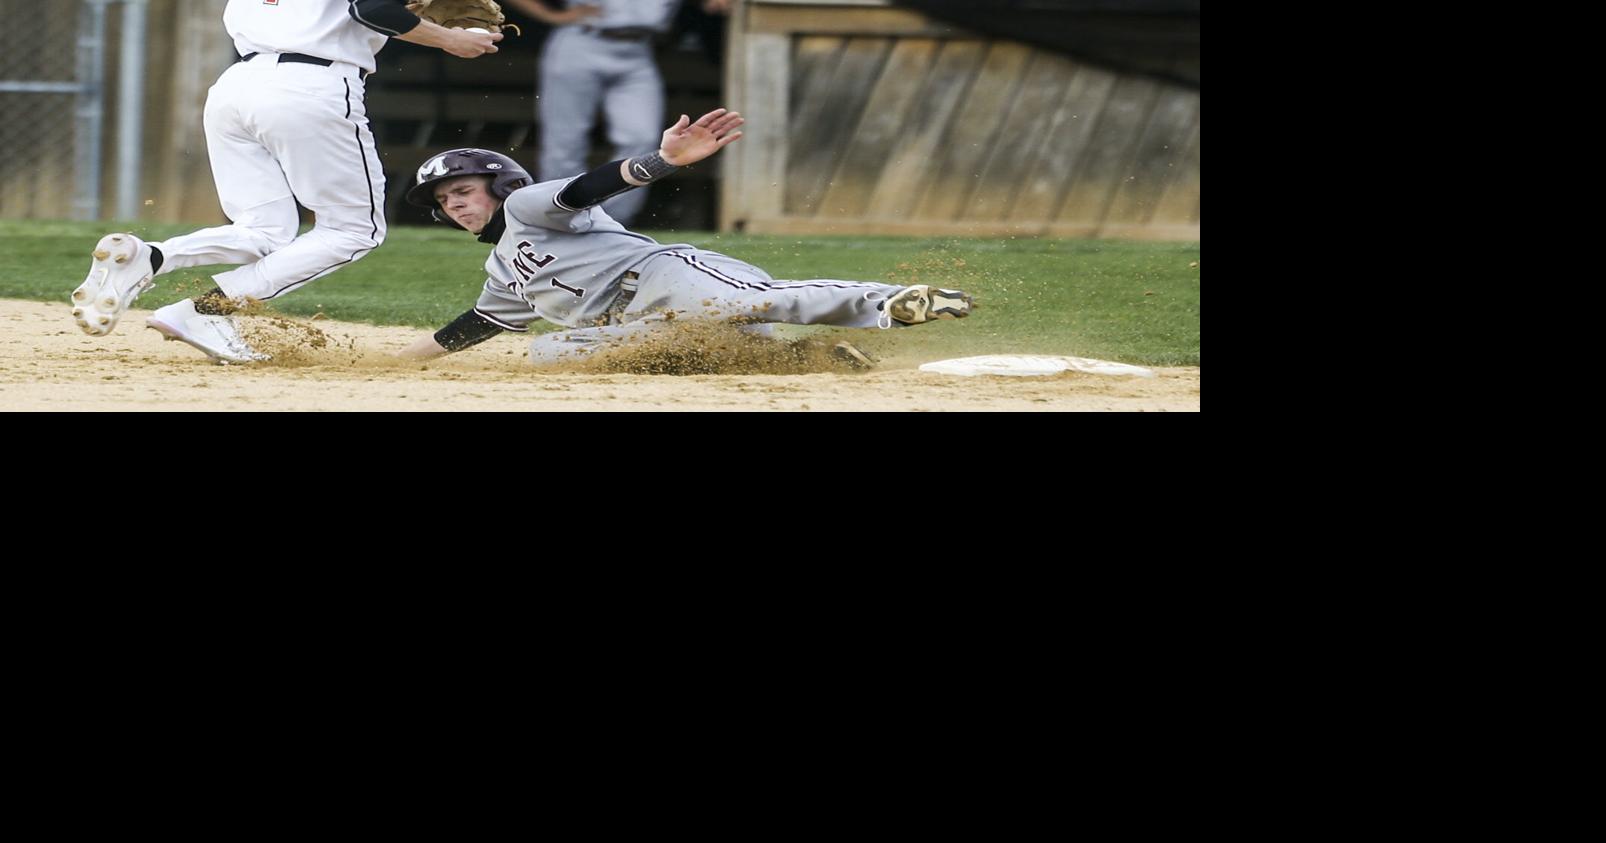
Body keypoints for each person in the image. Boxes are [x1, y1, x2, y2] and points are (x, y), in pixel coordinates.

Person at [70, 0, 503, 363]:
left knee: (263, 230)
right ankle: (207, 311)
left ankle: (152, 257)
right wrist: (451, 38)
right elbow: (371, 8)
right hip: (312, 84)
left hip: (236, 86)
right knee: (354, 230)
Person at [396, 108, 973, 364]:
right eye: (447, 202)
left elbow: (587, 187)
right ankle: (811, 357)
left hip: (665, 279)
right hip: (642, 327)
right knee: (548, 352)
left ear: (498, 185)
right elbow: (474, 327)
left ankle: (892, 301)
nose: (456, 205)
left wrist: (663, 160)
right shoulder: (501, 271)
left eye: (463, 192)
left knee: (748, 304)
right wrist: (395, 362)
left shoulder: (526, 205)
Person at [504, 0, 679, 226]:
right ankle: (560, 219)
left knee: (642, 137)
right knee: (566, 139)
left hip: (639, 48)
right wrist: (551, 15)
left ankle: (613, 222)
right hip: (582, 40)